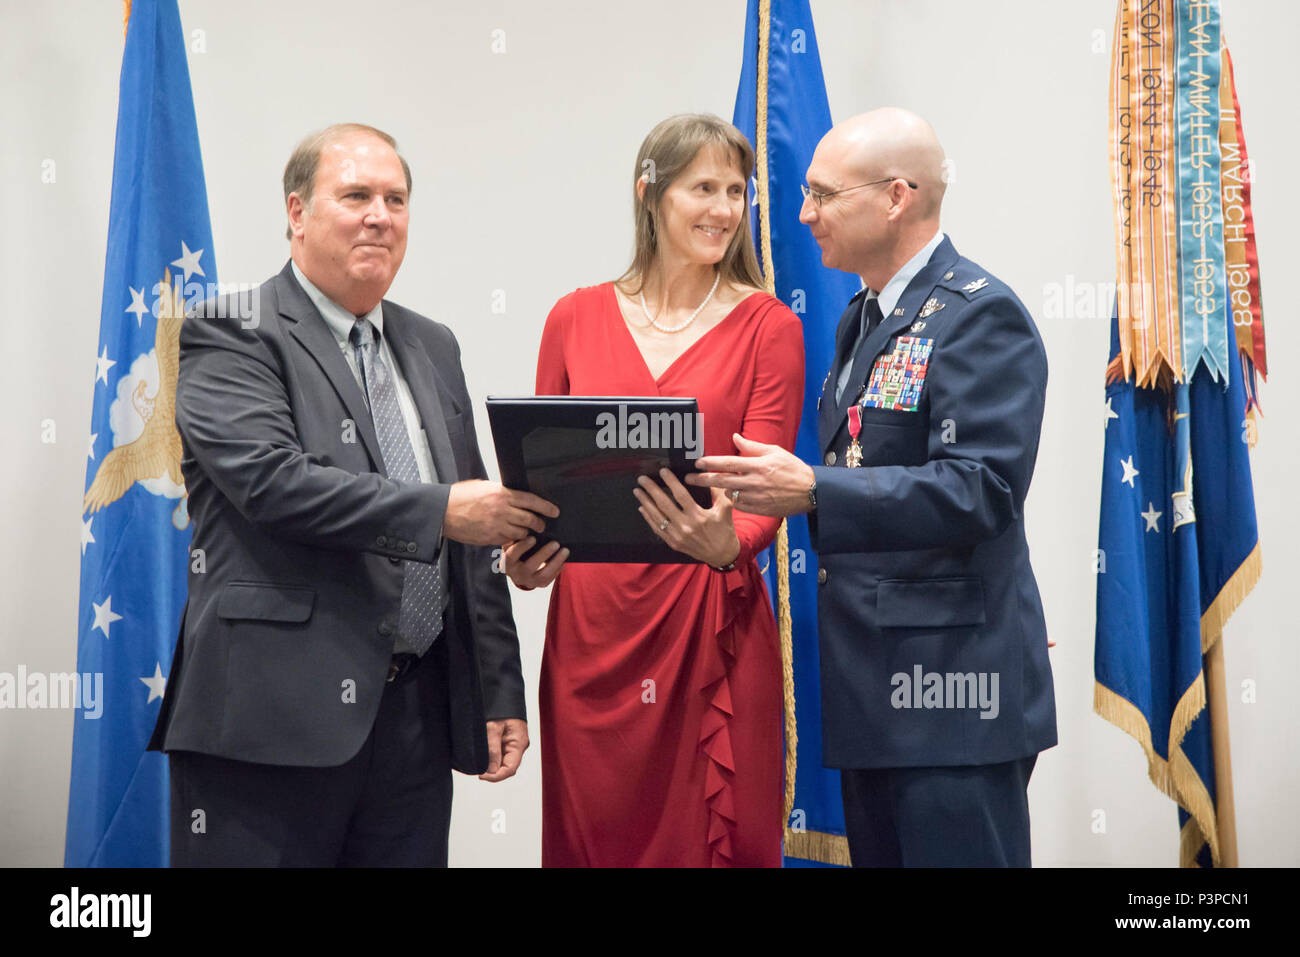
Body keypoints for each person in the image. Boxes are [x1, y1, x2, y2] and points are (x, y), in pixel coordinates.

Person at [148, 123, 558, 866]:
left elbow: (468, 529)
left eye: (395, 198)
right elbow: (275, 484)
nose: (380, 215)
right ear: (297, 212)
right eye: (356, 195)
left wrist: (498, 686)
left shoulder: (433, 344)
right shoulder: (231, 328)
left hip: (414, 724)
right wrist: (443, 512)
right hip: (270, 723)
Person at [688, 108, 1057, 867]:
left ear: (896, 196)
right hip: (878, 700)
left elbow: (981, 489)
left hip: (954, 700)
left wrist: (816, 490)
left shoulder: (978, 315)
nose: (803, 214)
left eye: (824, 194)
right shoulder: (863, 316)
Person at [502, 114, 805, 866]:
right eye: (704, 187)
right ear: (650, 194)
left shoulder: (771, 327)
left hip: (710, 621)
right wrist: (519, 555)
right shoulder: (571, 318)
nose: (725, 209)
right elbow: (537, 484)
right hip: (590, 635)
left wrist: (730, 541)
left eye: (737, 191)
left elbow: (766, 489)